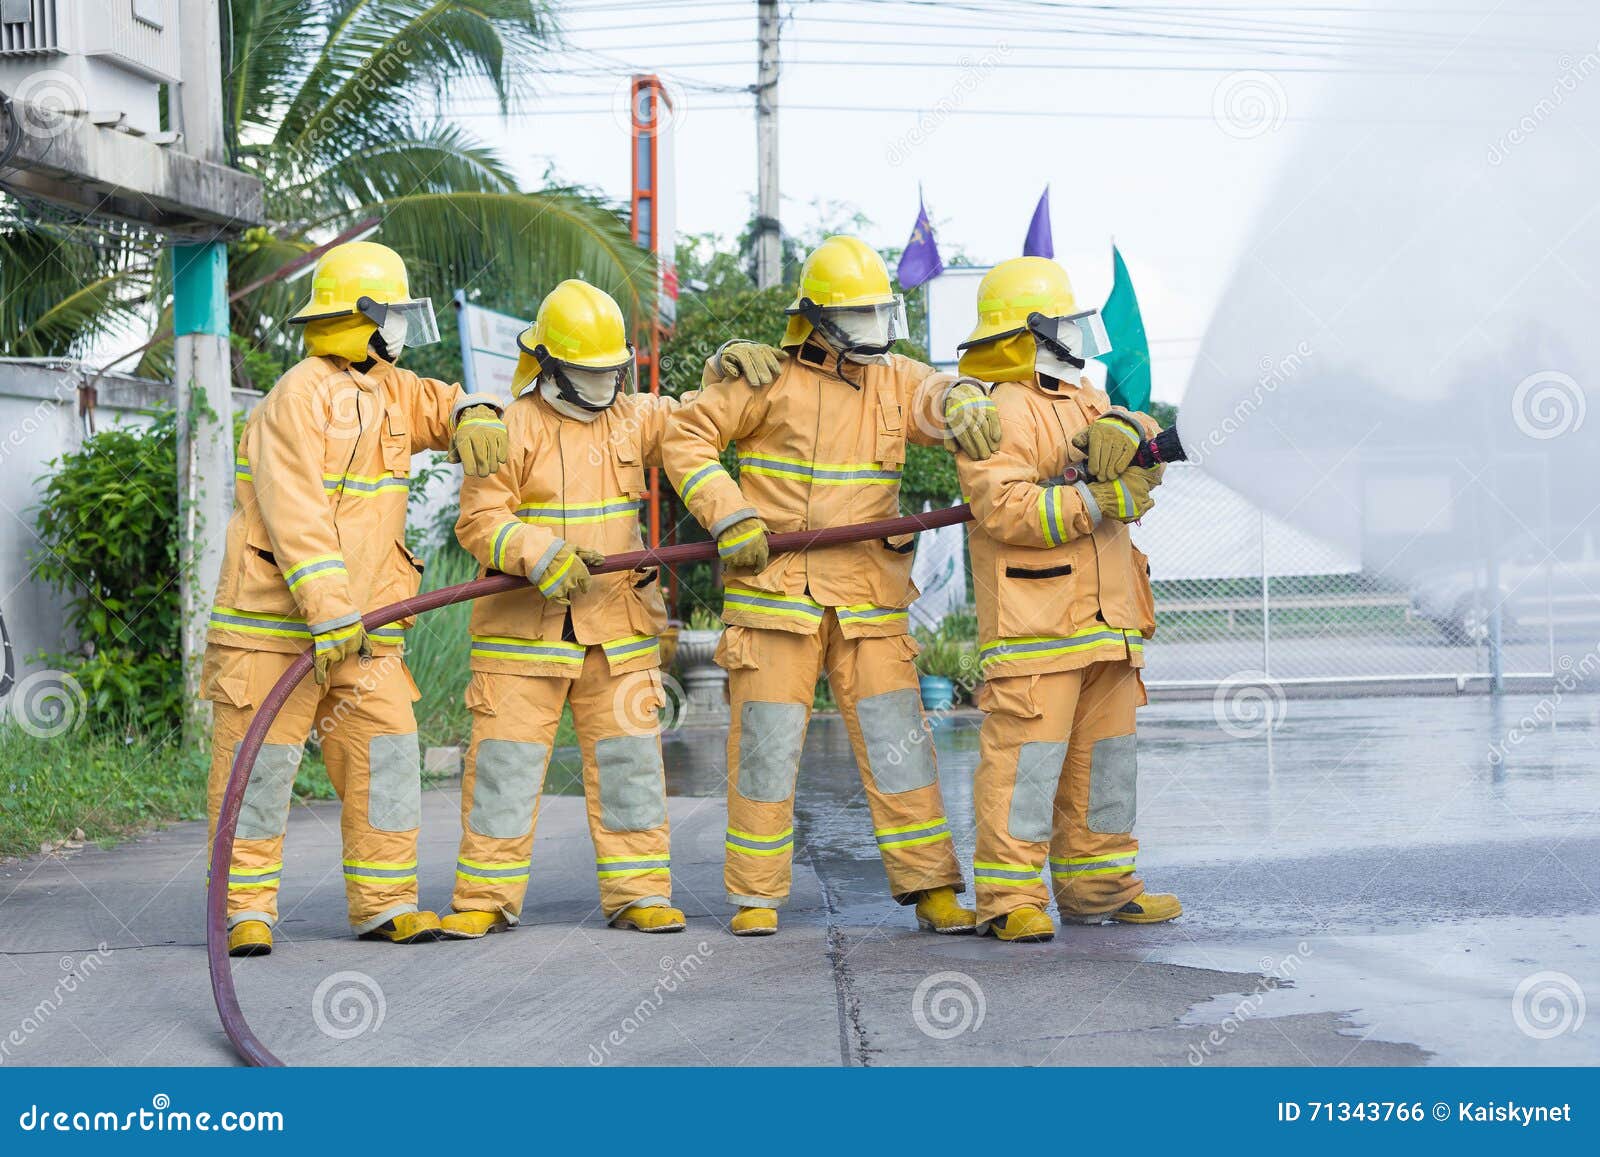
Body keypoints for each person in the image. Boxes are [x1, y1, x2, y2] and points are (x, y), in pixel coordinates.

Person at [662, 235, 1002, 937]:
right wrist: (729, 515)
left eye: (884, 316)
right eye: (863, 318)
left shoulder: (897, 378)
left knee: (899, 744)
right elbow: (684, 439)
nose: (879, 333)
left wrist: (967, 396)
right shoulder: (763, 377)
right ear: (818, 320)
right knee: (764, 746)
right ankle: (755, 893)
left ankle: (933, 886)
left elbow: (939, 395)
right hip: (775, 600)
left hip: (868, 601)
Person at [438, 279, 784, 939]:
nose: (606, 385)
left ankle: (639, 892)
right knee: (504, 769)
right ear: (551, 367)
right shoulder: (509, 427)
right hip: (523, 636)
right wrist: (537, 553)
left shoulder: (636, 415)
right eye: (590, 373)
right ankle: (485, 895)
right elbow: (479, 519)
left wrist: (723, 368)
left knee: (630, 764)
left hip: (618, 630)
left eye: (612, 371)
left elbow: (693, 422)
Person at [206, 240, 508, 957]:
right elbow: (296, 515)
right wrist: (329, 608)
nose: (401, 326)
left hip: (369, 630)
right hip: (274, 629)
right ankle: (241, 908)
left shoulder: (394, 388)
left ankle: (385, 899)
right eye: (394, 312)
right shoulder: (297, 396)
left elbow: (444, 401)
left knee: (389, 753)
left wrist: (476, 411)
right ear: (361, 317)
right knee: (260, 770)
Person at [953, 255, 1181, 943]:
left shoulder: (1083, 397)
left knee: (1105, 766)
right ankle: (1009, 898)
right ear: (1031, 332)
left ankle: (1101, 886)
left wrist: (1133, 434)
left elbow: (1134, 434)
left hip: (1109, 625)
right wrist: (1095, 498)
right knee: (1026, 766)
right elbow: (1004, 507)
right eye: (1065, 324)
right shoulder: (999, 407)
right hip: (1036, 628)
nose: (1080, 336)